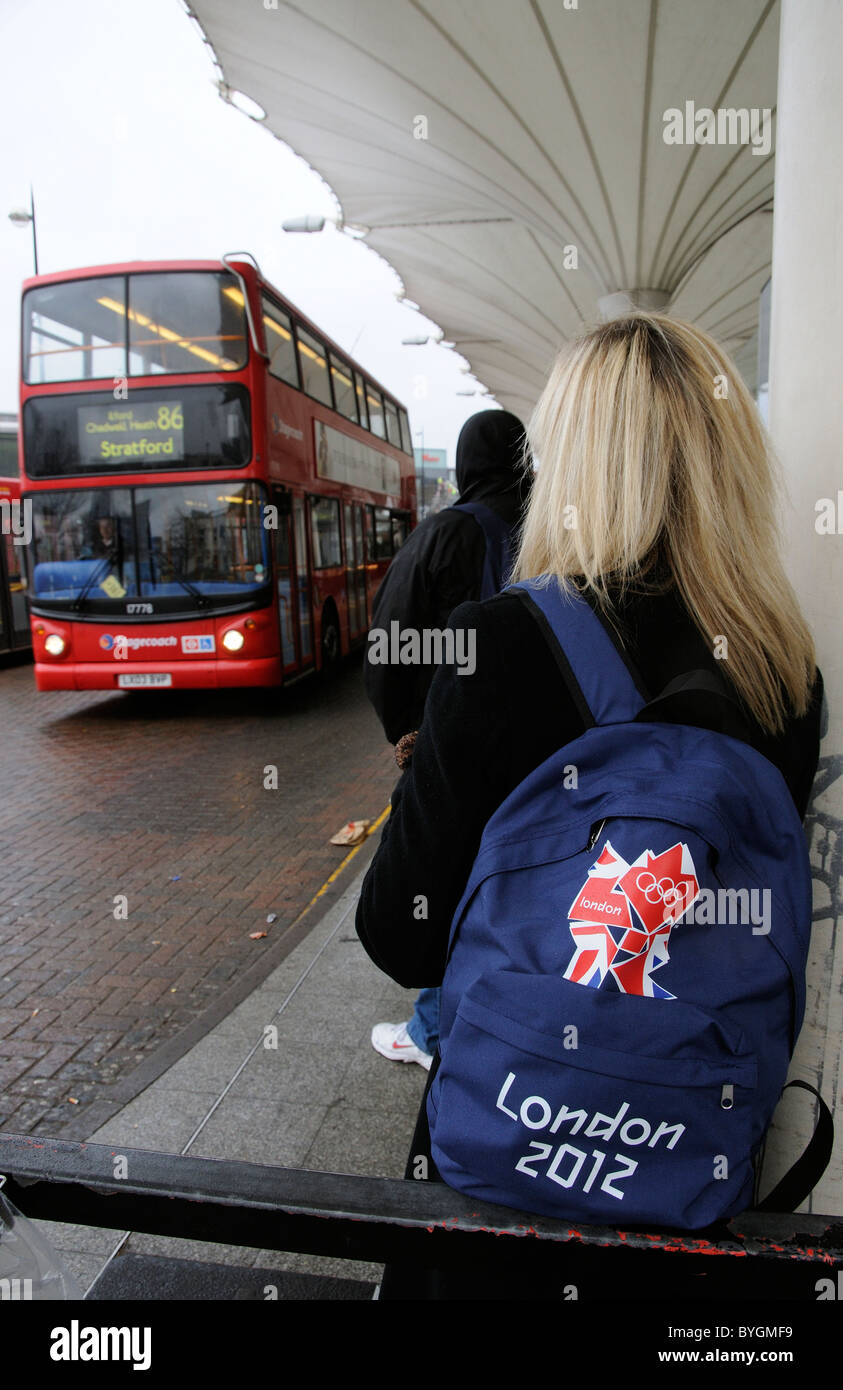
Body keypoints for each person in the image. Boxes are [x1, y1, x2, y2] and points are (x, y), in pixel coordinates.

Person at [355, 312, 824, 1299]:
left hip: (504, 1177)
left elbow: (401, 933)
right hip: (693, 1175)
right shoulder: (787, 671)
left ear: (566, 458)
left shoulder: (495, 644)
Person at [365, 409, 531, 1070]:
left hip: (459, 739)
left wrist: (405, 729)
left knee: (447, 874)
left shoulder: (444, 534)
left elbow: (390, 641)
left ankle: (433, 1032)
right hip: (556, 742)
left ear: (466, 463)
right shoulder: (566, 525)